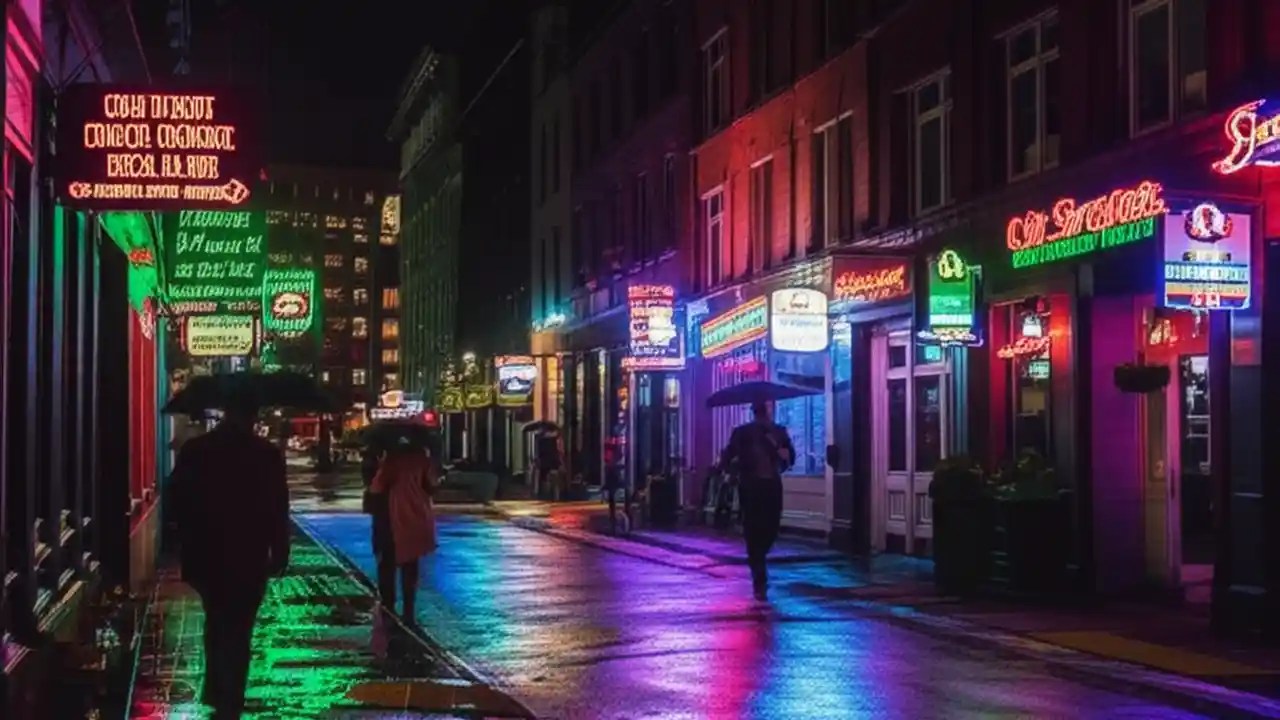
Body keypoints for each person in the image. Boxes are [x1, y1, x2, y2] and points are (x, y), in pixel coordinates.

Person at [170, 389, 289, 718]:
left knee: (217, 618)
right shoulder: (266, 454)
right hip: (248, 553)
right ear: (252, 417)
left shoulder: (197, 450)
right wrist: (280, 551)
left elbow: (177, 496)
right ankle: (231, 692)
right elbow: (278, 507)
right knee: (240, 625)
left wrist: (181, 540)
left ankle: (217, 686)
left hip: (206, 551)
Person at [720, 400, 795, 601]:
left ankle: (759, 559)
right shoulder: (742, 433)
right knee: (754, 530)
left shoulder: (778, 433)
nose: (765, 416)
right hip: (751, 486)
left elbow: (791, 457)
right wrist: (733, 469)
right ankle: (759, 574)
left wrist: (783, 455)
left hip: (770, 485)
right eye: (762, 412)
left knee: (769, 528)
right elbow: (727, 458)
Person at [369, 441, 438, 622]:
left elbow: (376, 487)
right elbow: (431, 485)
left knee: (387, 561)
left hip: (392, 515)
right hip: (417, 514)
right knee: (411, 562)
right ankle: (409, 607)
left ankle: (388, 604)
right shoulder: (423, 460)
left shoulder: (392, 461)